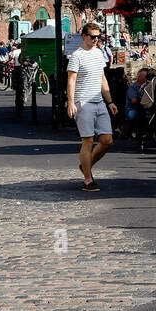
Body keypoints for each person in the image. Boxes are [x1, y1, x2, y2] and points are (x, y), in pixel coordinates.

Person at [67, 22, 119, 192]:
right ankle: (88, 179)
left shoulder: (99, 53)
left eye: (98, 36)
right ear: (84, 36)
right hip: (84, 102)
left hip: (99, 101)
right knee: (88, 140)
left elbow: (102, 78)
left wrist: (110, 101)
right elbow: (71, 80)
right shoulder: (77, 55)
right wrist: (71, 102)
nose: (96, 39)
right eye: (93, 36)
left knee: (107, 141)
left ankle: (85, 165)